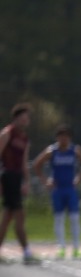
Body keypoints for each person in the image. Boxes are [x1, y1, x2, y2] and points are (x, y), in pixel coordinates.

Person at [31, 124, 81, 259]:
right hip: (58, 189)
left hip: (70, 188)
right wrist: (46, 181)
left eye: (66, 136)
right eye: (61, 136)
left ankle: (76, 248)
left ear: (70, 138)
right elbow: (37, 164)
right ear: (57, 137)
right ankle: (61, 247)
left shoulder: (75, 150)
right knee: (59, 218)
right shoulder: (52, 151)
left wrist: (79, 178)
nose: (63, 139)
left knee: (75, 218)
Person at [0, 103, 35, 263]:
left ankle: (26, 250)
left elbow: (24, 163)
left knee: (7, 217)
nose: (25, 121)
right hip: (7, 176)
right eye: (22, 118)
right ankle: (27, 251)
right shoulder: (8, 133)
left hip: (16, 178)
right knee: (19, 215)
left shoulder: (25, 139)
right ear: (15, 118)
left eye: (27, 118)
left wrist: (27, 182)